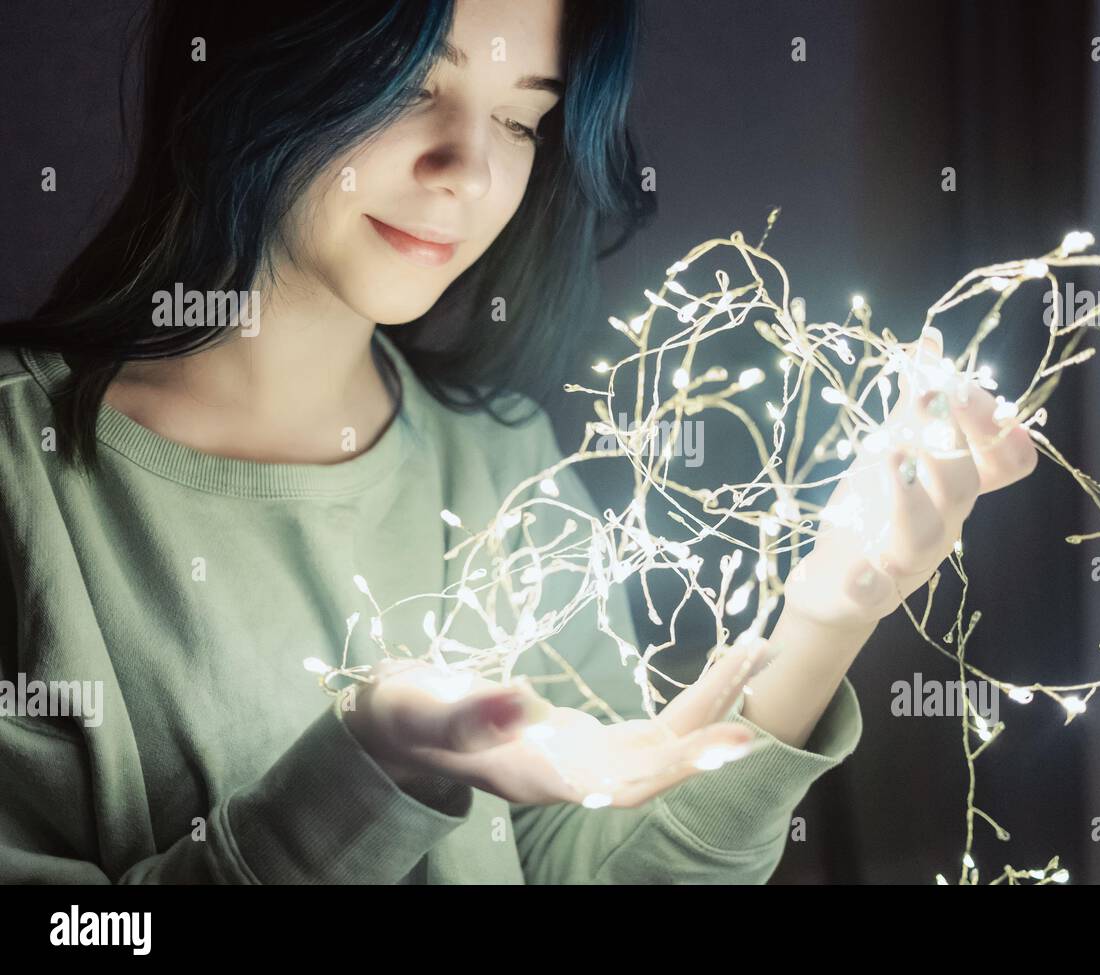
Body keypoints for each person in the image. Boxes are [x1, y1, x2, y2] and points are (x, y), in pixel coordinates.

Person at [0, 0, 1035, 884]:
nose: (468, 169)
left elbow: (603, 867)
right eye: (408, 87)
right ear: (251, 57)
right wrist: (372, 766)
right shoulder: (23, 474)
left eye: (519, 119)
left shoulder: (502, 464)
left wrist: (829, 613)